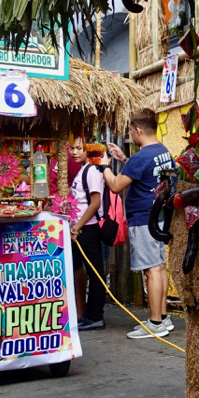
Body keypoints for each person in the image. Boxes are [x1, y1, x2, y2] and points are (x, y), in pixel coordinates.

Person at [105, 109, 175, 340]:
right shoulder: (162, 151)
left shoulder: (141, 157)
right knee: (159, 266)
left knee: (152, 268)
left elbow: (116, 185)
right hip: (160, 216)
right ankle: (162, 317)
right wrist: (123, 159)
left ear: (138, 130)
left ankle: (155, 323)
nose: (130, 135)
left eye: (130, 131)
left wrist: (103, 166)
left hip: (144, 219)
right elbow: (148, 174)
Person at [69, 139, 106, 331]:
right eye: (72, 148)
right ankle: (88, 315)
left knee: (96, 273)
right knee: (85, 270)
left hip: (88, 228)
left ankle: (96, 316)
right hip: (79, 227)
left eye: (79, 148)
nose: (74, 152)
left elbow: (95, 203)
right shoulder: (82, 170)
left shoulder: (92, 170)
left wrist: (77, 227)